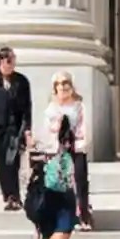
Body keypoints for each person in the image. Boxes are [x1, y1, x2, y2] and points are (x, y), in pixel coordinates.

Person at [25, 94, 81, 239]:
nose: (53, 124)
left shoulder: (69, 141)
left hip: (64, 201)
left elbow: (74, 170)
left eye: (57, 120)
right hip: (44, 201)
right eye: (51, 120)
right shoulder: (39, 139)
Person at [0, 46, 32, 210]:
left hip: (15, 128)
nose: (9, 65)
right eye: (5, 61)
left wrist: (27, 129)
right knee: (1, 164)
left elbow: (27, 107)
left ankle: (15, 196)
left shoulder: (21, 81)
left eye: (11, 61)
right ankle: (8, 196)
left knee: (12, 162)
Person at [44, 71, 93, 230]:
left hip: (76, 148)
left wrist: (82, 143)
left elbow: (85, 126)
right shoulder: (51, 108)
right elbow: (47, 130)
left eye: (66, 83)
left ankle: (83, 215)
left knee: (80, 181)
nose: (63, 87)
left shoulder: (79, 106)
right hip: (58, 151)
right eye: (59, 84)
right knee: (59, 184)